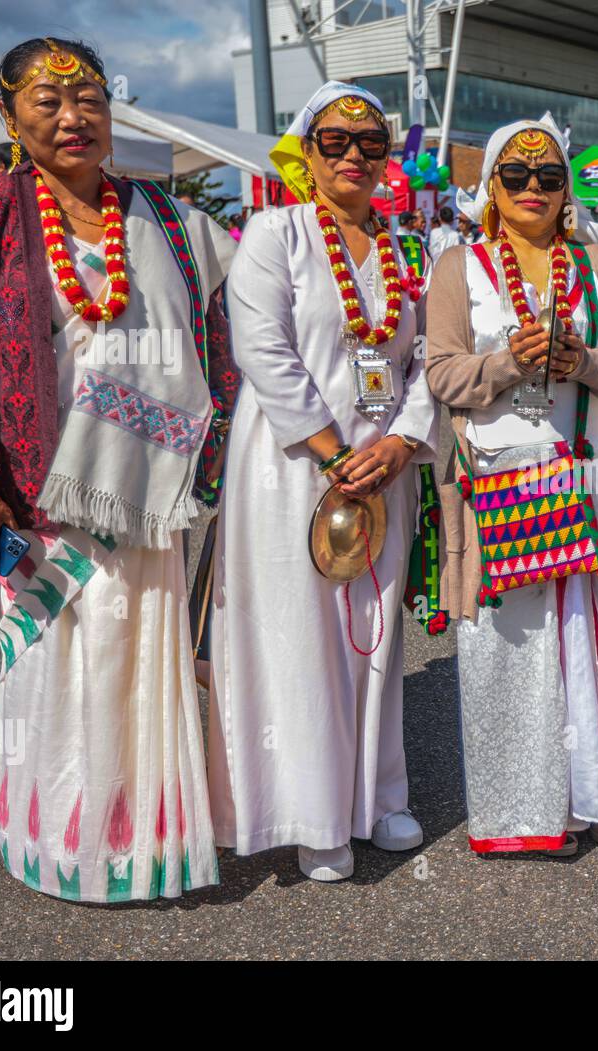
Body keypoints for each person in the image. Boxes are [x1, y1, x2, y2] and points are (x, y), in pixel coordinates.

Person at [0, 37, 238, 902]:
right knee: (61, 667)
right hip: (38, 496)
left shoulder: (167, 218)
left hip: (147, 493)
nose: (71, 117)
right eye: (47, 101)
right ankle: (61, 844)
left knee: (144, 659)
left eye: (88, 97)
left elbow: (226, 328)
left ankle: (148, 846)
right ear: (9, 116)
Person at [207, 83, 439, 883]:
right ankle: (310, 815)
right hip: (292, 467)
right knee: (298, 634)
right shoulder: (275, 233)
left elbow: (423, 367)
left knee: (375, 634)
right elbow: (261, 350)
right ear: (305, 153)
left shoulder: (412, 248)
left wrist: (405, 442)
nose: (352, 156)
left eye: (370, 144)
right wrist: (338, 452)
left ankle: (376, 797)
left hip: (385, 470)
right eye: (334, 141)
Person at [426, 116, 598, 855]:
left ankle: (593, 794)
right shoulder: (457, 267)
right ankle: (520, 810)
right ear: (491, 186)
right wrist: (507, 365)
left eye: (548, 177)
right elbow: (441, 374)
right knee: (506, 643)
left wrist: (581, 361)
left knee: (590, 639)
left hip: (583, 476)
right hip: (496, 480)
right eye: (515, 177)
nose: (532, 189)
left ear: (565, 188)